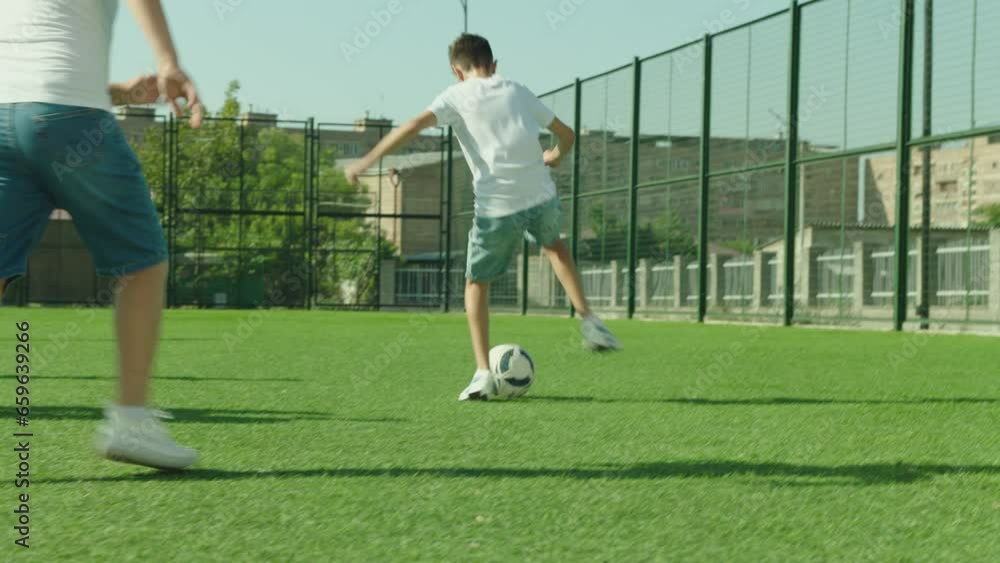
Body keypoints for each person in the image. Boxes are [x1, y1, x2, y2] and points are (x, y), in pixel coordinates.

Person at [346, 34, 622, 401]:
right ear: (494, 65)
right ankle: (591, 322)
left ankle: (482, 376)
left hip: (498, 207)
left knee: (477, 284)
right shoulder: (518, 90)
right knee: (556, 247)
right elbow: (567, 135)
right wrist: (555, 155)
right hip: (542, 196)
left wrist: (367, 161)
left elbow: (412, 125)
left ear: (456, 71)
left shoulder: (455, 96)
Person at [0, 0, 204, 469]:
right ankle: (131, 421)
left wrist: (114, 91)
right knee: (143, 263)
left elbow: (28, 61)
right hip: (71, 118)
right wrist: (168, 62)